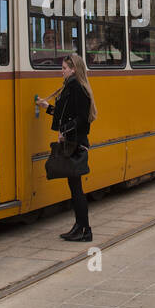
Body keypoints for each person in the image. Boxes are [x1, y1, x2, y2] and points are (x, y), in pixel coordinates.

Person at [36, 53, 98, 241]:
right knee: (74, 187)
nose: (61, 71)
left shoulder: (77, 88)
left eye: (63, 68)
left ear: (73, 69)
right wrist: (47, 107)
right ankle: (80, 226)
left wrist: (64, 131)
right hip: (72, 142)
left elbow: (81, 119)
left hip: (76, 143)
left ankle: (85, 230)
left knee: (77, 189)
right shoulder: (71, 87)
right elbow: (65, 114)